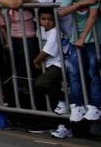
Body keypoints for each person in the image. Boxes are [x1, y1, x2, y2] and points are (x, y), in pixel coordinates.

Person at [57, 0, 101, 123]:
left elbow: (92, 17)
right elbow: (62, 12)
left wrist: (83, 38)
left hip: (93, 38)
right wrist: (81, 3)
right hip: (75, 37)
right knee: (74, 73)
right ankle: (76, 104)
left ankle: (95, 105)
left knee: (93, 72)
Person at [32, 9, 71, 138]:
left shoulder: (55, 32)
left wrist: (37, 60)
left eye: (50, 19)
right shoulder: (41, 30)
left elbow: (47, 51)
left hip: (59, 63)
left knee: (41, 84)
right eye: (44, 19)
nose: (47, 22)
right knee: (47, 91)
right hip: (48, 65)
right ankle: (58, 124)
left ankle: (62, 99)